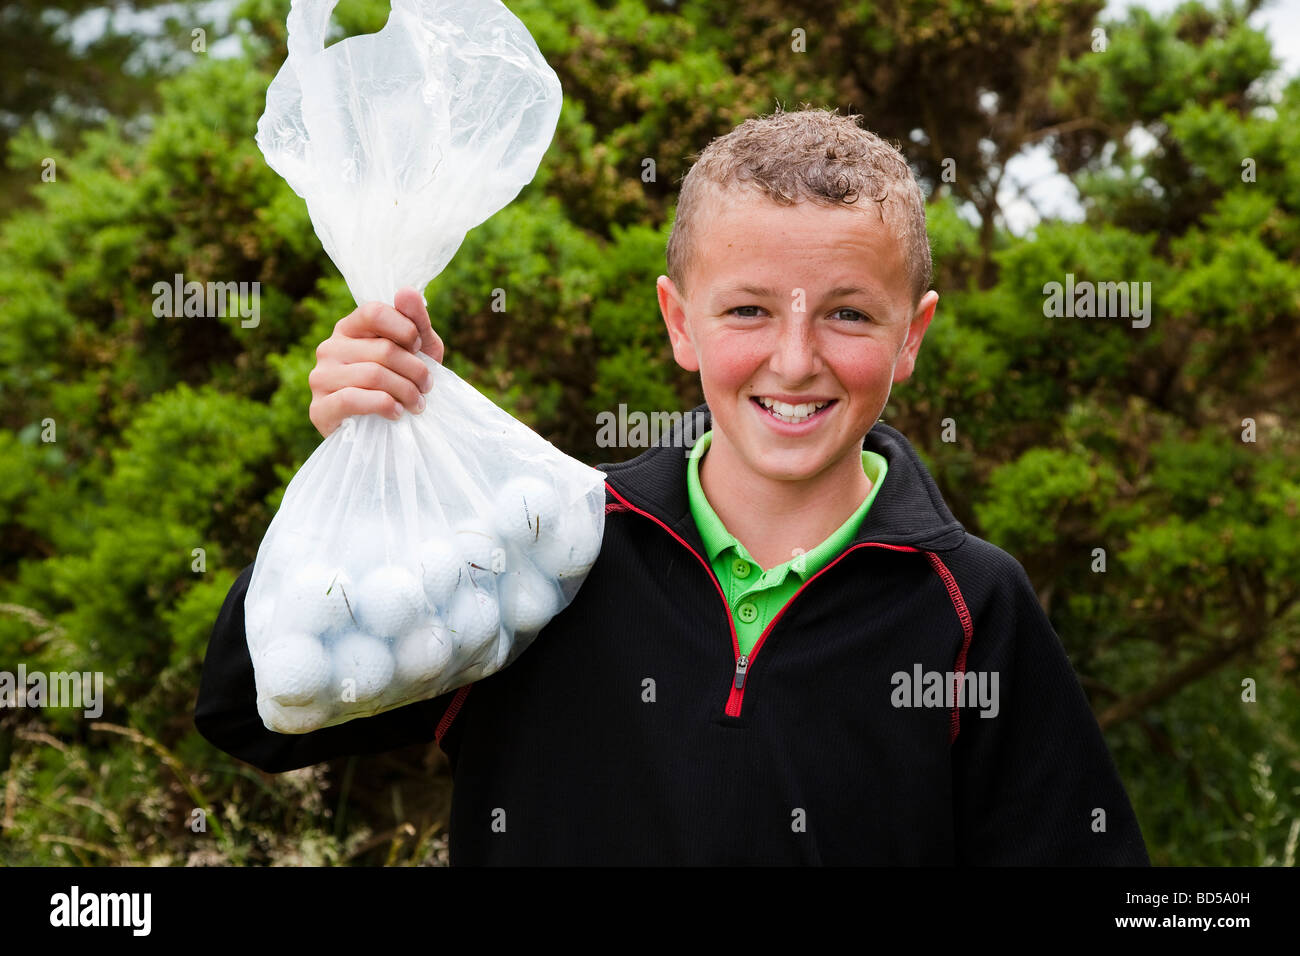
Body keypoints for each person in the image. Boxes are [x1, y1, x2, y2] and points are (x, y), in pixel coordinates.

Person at [195, 107, 1149, 865]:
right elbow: (253, 714)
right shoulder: (546, 551)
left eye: (850, 314)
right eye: (747, 309)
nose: (794, 359)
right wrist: (370, 473)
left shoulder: (972, 607)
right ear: (678, 321)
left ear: (913, 337)